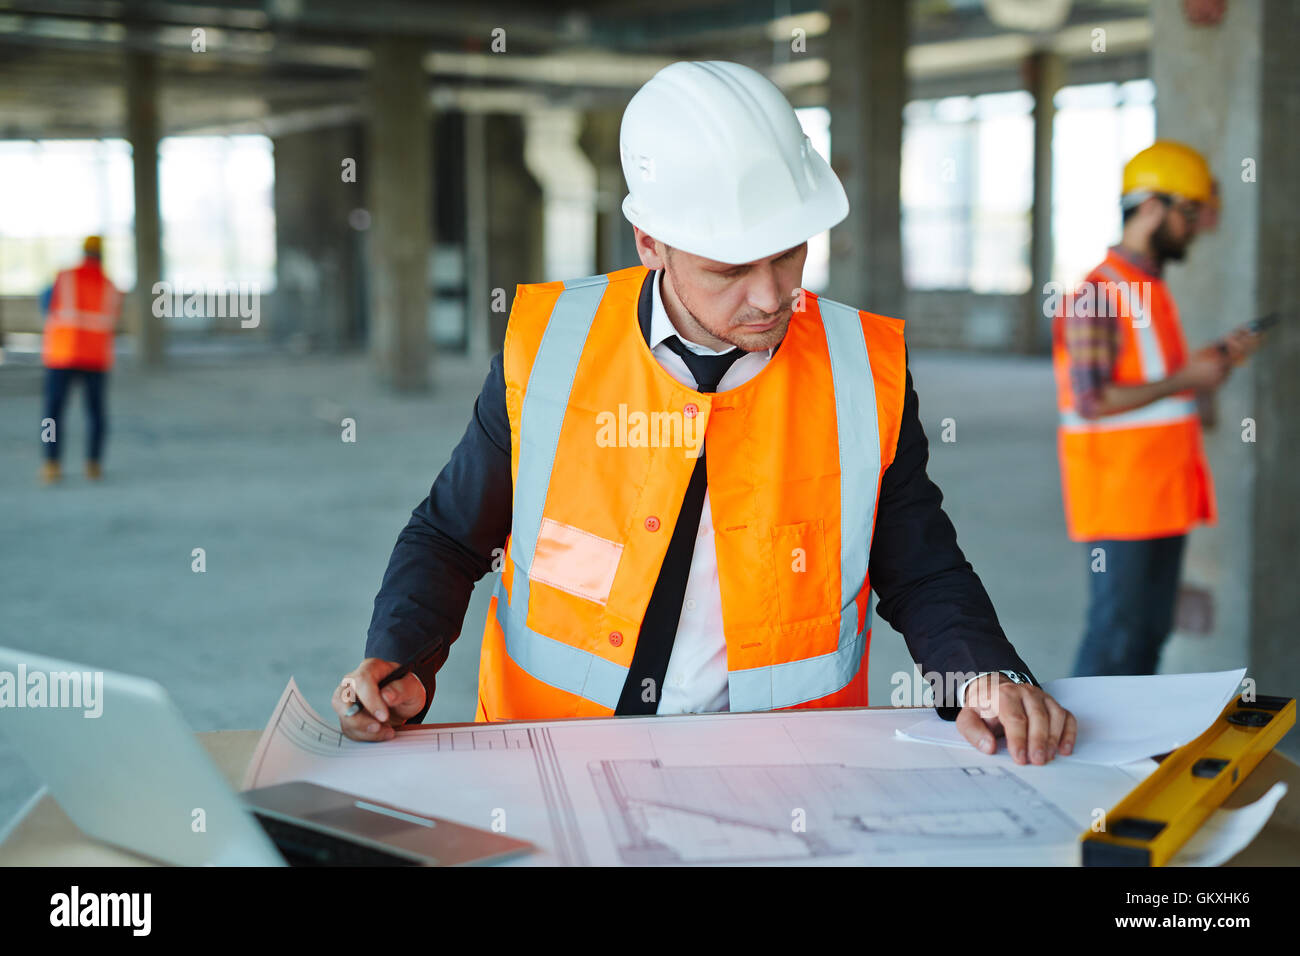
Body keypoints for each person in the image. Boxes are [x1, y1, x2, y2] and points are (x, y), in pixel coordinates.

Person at [337, 60, 1077, 765]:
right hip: (554, 759)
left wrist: (984, 674)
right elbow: (449, 535)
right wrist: (402, 655)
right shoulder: (550, 349)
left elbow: (921, 568)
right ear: (650, 241)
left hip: (787, 777)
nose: (771, 296)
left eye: (789, 254)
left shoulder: (862, 368)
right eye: (730, 269)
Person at [1052, 141, 1259, 677]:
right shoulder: (1099, 294)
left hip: (1162, 496)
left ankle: (1137, 758)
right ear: (1150, 208)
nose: (1195, 227)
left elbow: (1162, 390)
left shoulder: (1150, 291)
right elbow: (1094, 400)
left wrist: (1208, 371)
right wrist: (1188, 377)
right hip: (1121, 502)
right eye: (1188, 212)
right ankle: (1089, 760)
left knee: (1147, 637)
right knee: (1117, 639)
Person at [39, 235, 122, 483]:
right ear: (101, 255)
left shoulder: (64, 278)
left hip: (62, 356)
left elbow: (46, 306)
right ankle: (93, 464)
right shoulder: (110, 286)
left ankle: (51, 463)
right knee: (96, 413)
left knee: (52, 414)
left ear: (83, 253)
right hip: (95, 358)